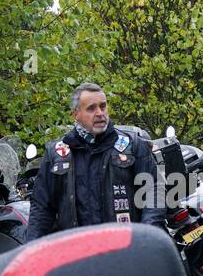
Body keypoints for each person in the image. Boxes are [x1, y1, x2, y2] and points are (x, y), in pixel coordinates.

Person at [27, 82, 163, 239]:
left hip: (126, 249)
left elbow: (154, 190)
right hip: (78, 253)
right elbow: (41, 208)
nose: (100, 113)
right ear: (75, 114)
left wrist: (148, 235)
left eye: (103, 106)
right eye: (91, 108)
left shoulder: (132, 145)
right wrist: (30, 250)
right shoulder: (56, 154)